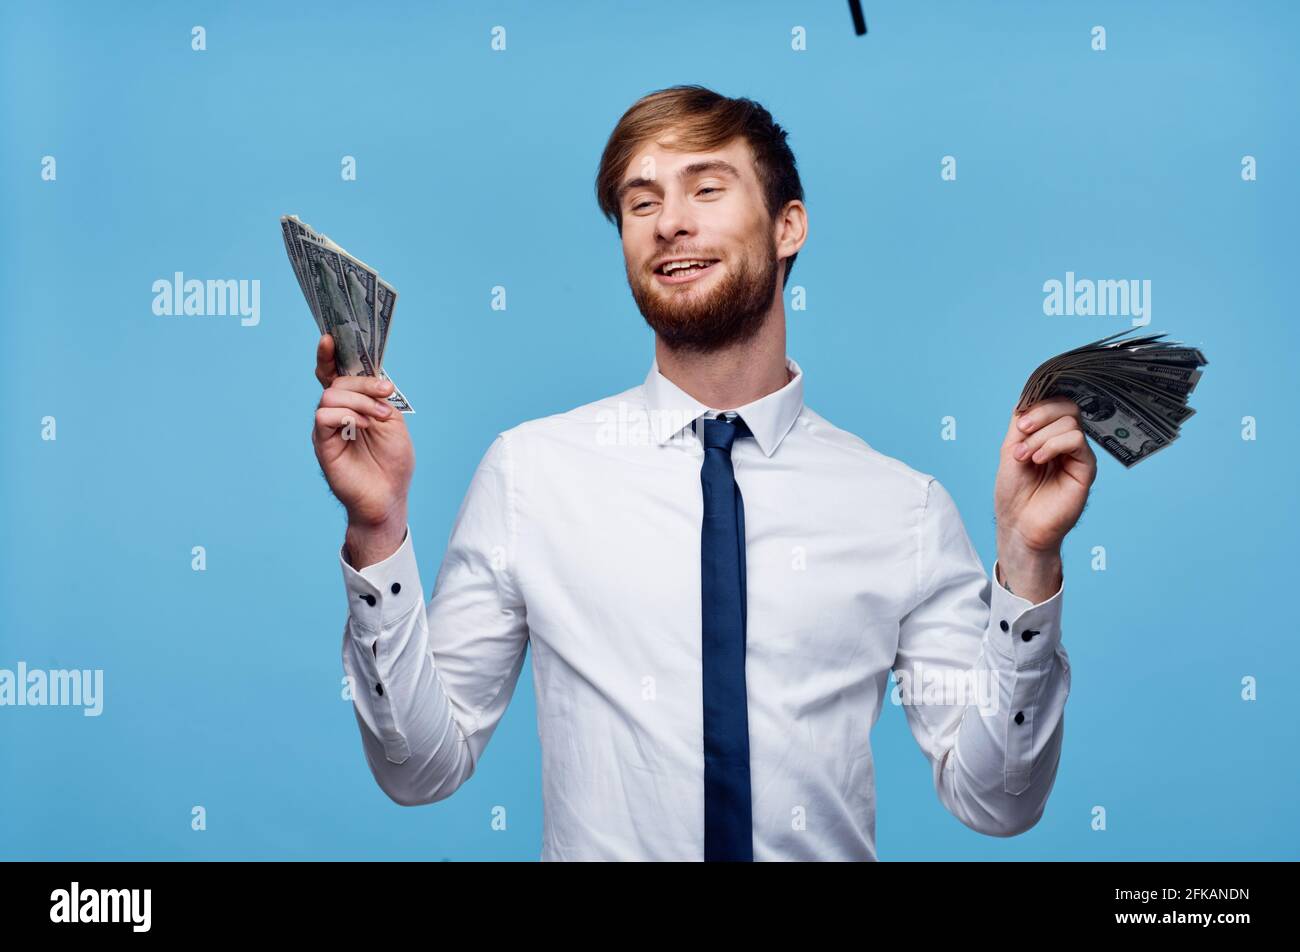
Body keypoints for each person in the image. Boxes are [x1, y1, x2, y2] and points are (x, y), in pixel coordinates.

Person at [310, 85, 1096, 861]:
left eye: (707, 189)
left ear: (789, 226)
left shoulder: (903, 509)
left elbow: (997, 802)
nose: (671, 222)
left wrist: (1028, 565)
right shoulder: (531, 475)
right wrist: (377, 531)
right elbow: (421, 770)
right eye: (640, 203)